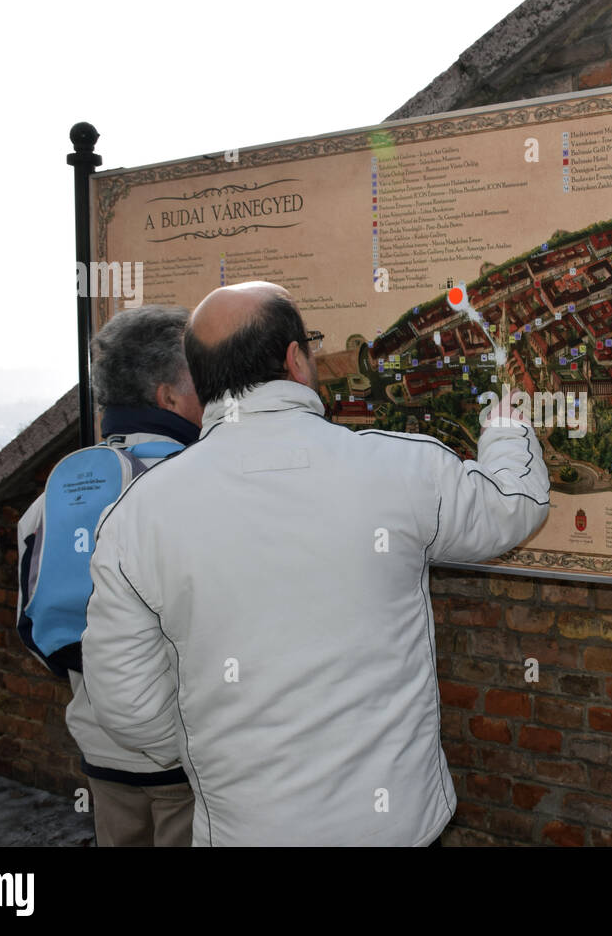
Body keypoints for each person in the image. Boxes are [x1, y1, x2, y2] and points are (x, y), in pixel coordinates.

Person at [82, 281, 549, 846]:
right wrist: (503, 427)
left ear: (203, 382)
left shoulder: (136, 518)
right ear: (295, 359)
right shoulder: (399, 470)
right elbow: (512, 505)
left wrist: (213, 747)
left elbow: (126, 704)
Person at [15, 305, 201, 846]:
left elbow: (38, 626)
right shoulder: (197, 486)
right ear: (167, 397)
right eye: (201, 383)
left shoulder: (53, 496)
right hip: (187, 753)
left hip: (101, 752)